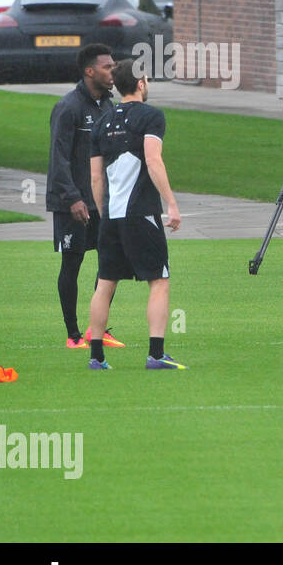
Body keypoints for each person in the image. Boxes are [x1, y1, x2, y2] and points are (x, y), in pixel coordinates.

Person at [86, 60, 184, 370]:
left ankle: (97, 357)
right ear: (140, 84)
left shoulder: (101, 122)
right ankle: (156, 354)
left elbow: (96, 178)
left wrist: (104, 215)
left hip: (112, 216)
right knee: (159, 280)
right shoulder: (151, 116)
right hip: (141, 213)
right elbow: (153, 162)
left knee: (105, 283)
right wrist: (171, 203)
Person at [48, 43, 125, 350]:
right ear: (89, 71)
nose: (113, 71)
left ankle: (99, 329)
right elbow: (59, 158)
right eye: (108, 67)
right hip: (73, 203)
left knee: (111, 264)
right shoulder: (68, 108)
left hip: (104, 201)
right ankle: (73, 334)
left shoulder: (109, 106)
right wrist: (73, 198)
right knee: (72, 264)